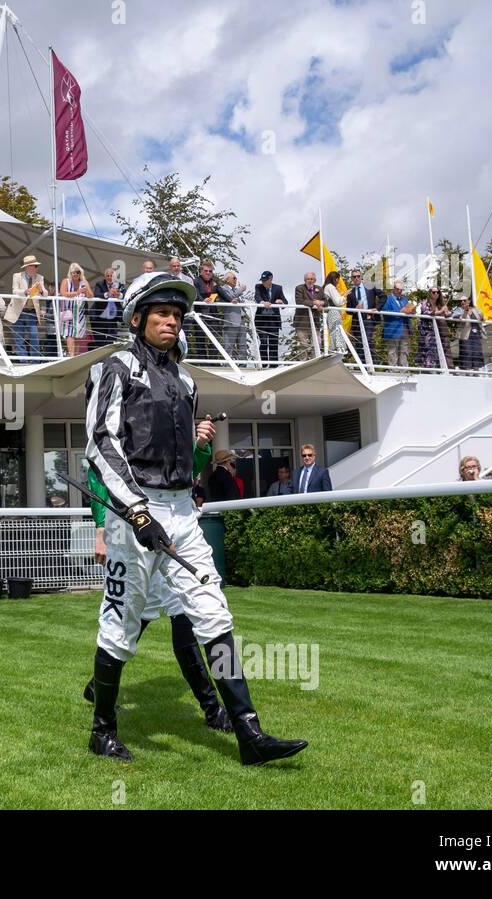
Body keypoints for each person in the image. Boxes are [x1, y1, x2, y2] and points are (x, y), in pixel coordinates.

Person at [84, 269, 305, 764]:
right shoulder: (113, 368)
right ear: (138, 317)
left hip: (183, 512)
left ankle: (249, 733)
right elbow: (101, 444)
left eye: (178, 315)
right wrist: (135, 510)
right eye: (162, 313)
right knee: (121, 624)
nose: (171, 321)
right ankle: (102, 728)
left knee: (214, 614)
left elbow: (186, 458)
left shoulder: (185, 380)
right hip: (133, 512)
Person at [82, 464, 231, 732]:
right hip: (133, 535)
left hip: (172, 535)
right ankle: (212, 709)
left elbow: (185, 471)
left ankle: (213, 709)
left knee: (179, 614)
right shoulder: (126, 426)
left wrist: (200, 447)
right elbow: (100, 470)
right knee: (131, 616)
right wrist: (102, 528)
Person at [8, 255, 48, 358]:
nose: (37, 268)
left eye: (36, 266)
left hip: (31, 312)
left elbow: (46, 294)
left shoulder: (40, 278)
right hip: (18, 312)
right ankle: (23, 360)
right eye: (35, 266)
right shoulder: (17, 276)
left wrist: (41, 290)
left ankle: (35, 361)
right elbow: (14, 291)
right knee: (18, 338)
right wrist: (25, 292)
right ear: (27, 267)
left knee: (34, 337)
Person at [252, 271, 286, 366]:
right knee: (263, 342)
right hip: (261, 320)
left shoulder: (278, 288)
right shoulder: (258, 287)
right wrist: (263, 302)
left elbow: (285, 303)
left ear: (270, 280)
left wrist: (281, 302)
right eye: (262, 280)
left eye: (265, 280)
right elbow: (257, 297)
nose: (263, 282)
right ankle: (263, 364)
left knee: (273, 343)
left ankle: (273, 365)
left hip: (273, 321)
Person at [58, 263, 91, 357]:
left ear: (81, 273)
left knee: (78, 335)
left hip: (79, 313)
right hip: (68, 311)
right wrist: (77, 292)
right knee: (70, 334)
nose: (76, 274)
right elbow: (63, 293)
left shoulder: (84, 282)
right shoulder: (66, 281)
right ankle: (71, 355)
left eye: (78, 272)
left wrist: (86, 291)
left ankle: (75, 356)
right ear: (70, 273)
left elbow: (90, 295)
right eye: (73, 272)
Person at [90, 267, 124, 348]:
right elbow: (97, 294)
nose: (109, 277)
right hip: (98, 317)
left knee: (111, 341)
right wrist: (108, 293)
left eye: (111, 276)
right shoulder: (99, 284)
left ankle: (108, 358)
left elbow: (125, 295)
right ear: (105, 277)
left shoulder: (119, 285)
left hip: (112, 318)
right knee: (100, 342)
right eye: (107, 276)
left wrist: (118, 294)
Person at [218, 271, 248, 361]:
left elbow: (241, 302)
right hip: (230, 321)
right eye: (234, 278)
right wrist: (240, 290)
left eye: (236, 278)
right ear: (227, 280)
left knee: (243, 345)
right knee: (229, 346)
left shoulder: (236, 290)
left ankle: (243, 365)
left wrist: (239, 293)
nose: (236, 280)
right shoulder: (222, 289)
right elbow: (230, 298)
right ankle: (228, 366)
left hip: (241, 320)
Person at [292, 271, 321, 360]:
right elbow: (299, 301)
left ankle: (315, 362)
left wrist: (321, 303)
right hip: (302, 321)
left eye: (312, 279)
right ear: (305, 280)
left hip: (315, 322)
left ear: (315, 280)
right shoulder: (299, 288)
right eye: (308, 279)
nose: (310, 281)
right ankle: (303, 363)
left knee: (317, 343)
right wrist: (314, 303)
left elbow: (325, 301)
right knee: (303, 345)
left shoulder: (319, 289)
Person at [451, 295, 485, 371]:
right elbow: (454, 316)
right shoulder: (459, 310)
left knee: (477, 352)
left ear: (469, 301)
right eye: (461, 301)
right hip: (465, 335)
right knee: (466, 352)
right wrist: (463, 313)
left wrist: (482, 316)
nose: (462, 302)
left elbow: (482, 317)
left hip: (476, 335)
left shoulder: (475, 309)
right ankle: (466, 370)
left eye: (464, 300)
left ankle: (476, 370)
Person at [379, 282, 409, 368]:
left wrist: (411, 312)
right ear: (394, 289)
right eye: (397, 289)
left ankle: (404, 369)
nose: (399, 291)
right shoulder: (388, 299)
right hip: (392, 329)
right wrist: (399, 312)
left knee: (405, 350)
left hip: (405, 327)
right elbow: (385, 312)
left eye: (401, 290)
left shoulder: (405, 300)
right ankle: (393, 369)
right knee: (393, 351)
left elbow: (408, 311)